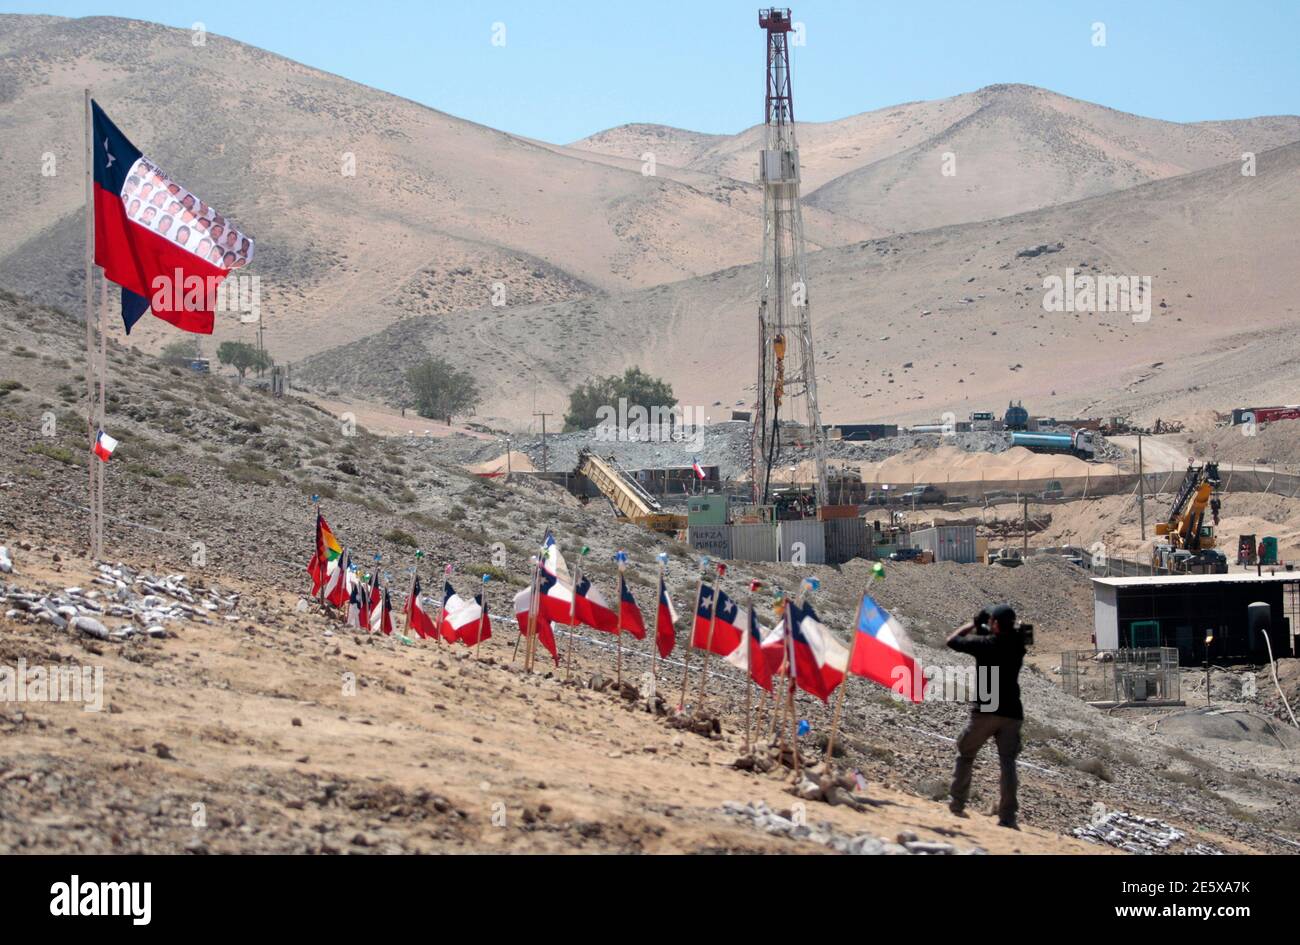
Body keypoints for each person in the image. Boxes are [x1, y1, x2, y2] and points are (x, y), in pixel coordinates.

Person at [946, 604, 1026, 829]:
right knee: (1007, 763)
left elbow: (952, 640)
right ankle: (1008, 816)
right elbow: (1021, 631)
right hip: (1012, 711)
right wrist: (995, 625)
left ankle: (957, 803)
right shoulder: (1018, 643)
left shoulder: (985, 645)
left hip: (986, 708)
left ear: (996, 625)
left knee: (966, 752)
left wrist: (973, 622)